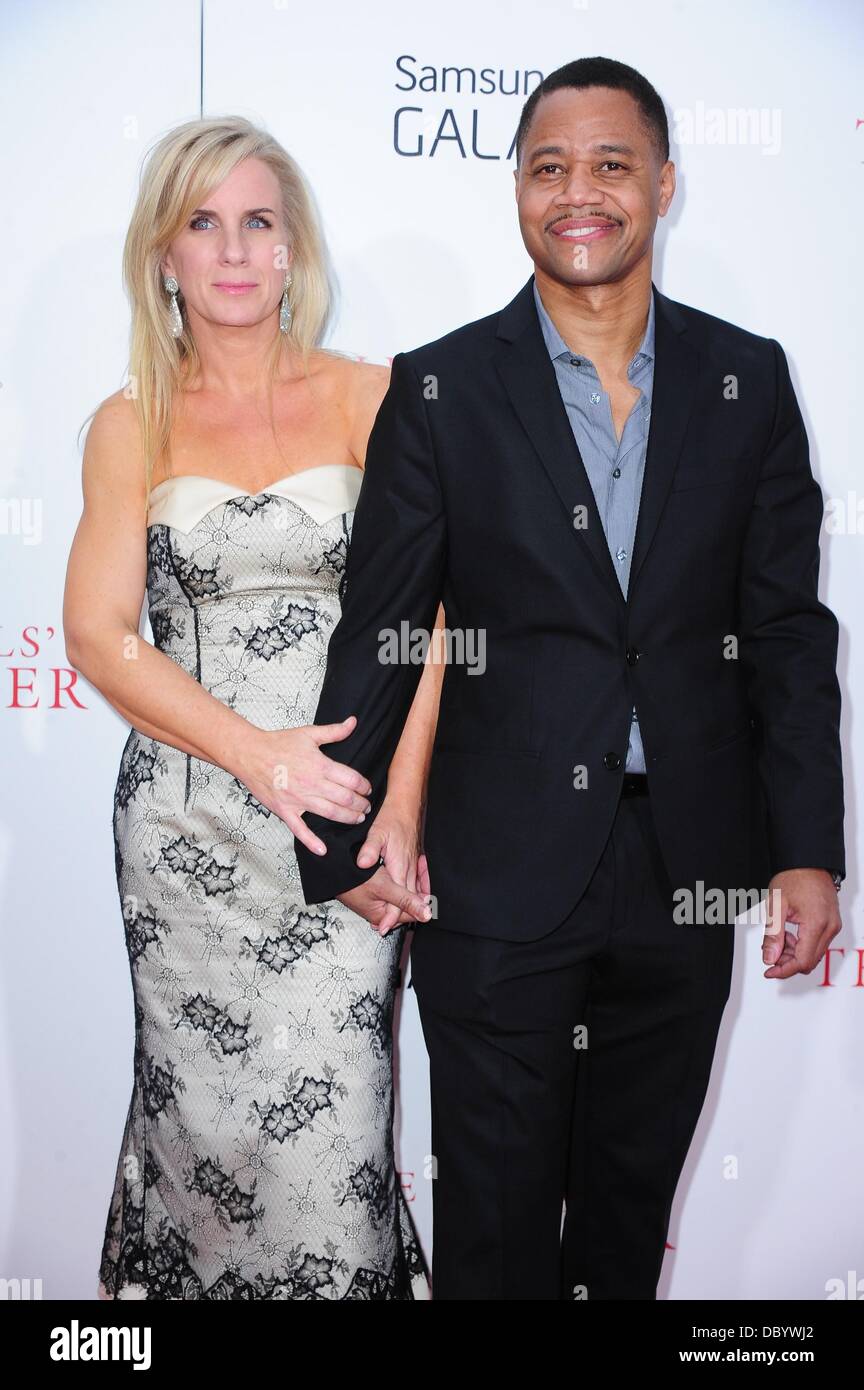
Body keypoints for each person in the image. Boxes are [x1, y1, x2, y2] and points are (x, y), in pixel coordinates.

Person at [293, 57, 846, 1299]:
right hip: (492, 883)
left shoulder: (745, 381)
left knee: (620, 1232)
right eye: (549, 166)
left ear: (662, 182)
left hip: (685, 876)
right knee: (492, 1238)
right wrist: (343, 839)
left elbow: (787, 634)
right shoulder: (439, 387)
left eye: (609, 163)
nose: (578, 191)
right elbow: (382, 627)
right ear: (516, 193)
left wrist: (807, 846)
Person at [63, 115, 437, 1300]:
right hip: (187, 839)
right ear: (163, 256)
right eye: (202, 223)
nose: (232, 249)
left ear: (293, 248)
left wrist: (400, 814)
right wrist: (259, 758)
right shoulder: (131, 423)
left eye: (258, 221)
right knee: (204, 1150)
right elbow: (98, 634)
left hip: (341, 828)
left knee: (337, 1149)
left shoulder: (377, 398)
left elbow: (439, 625)